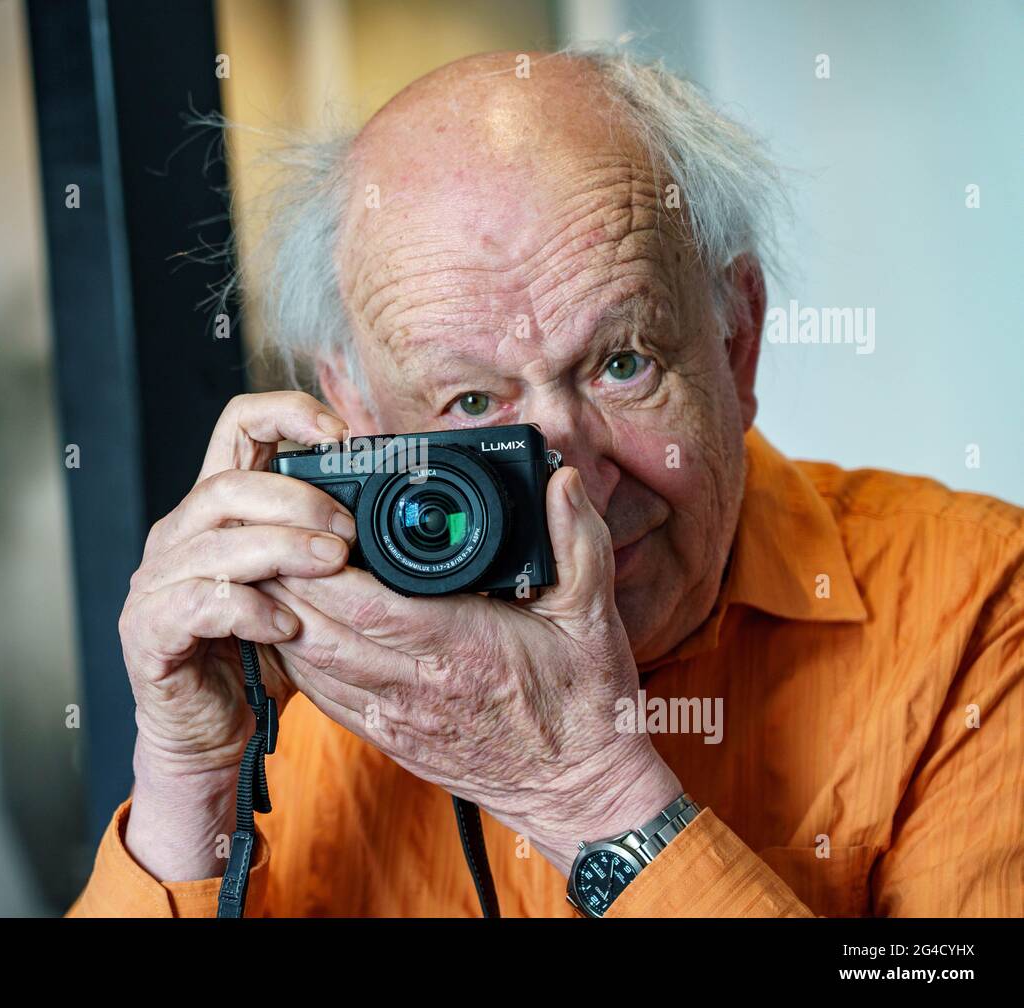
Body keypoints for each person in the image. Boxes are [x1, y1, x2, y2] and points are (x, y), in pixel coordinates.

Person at [68, 51, 1023, 917]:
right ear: (351, 410)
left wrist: (594, 799)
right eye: (472, 399)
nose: (569, 482)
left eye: (621, 364)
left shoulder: (977, 604)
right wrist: (189, 780)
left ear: (737, 343)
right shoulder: (305, 654)